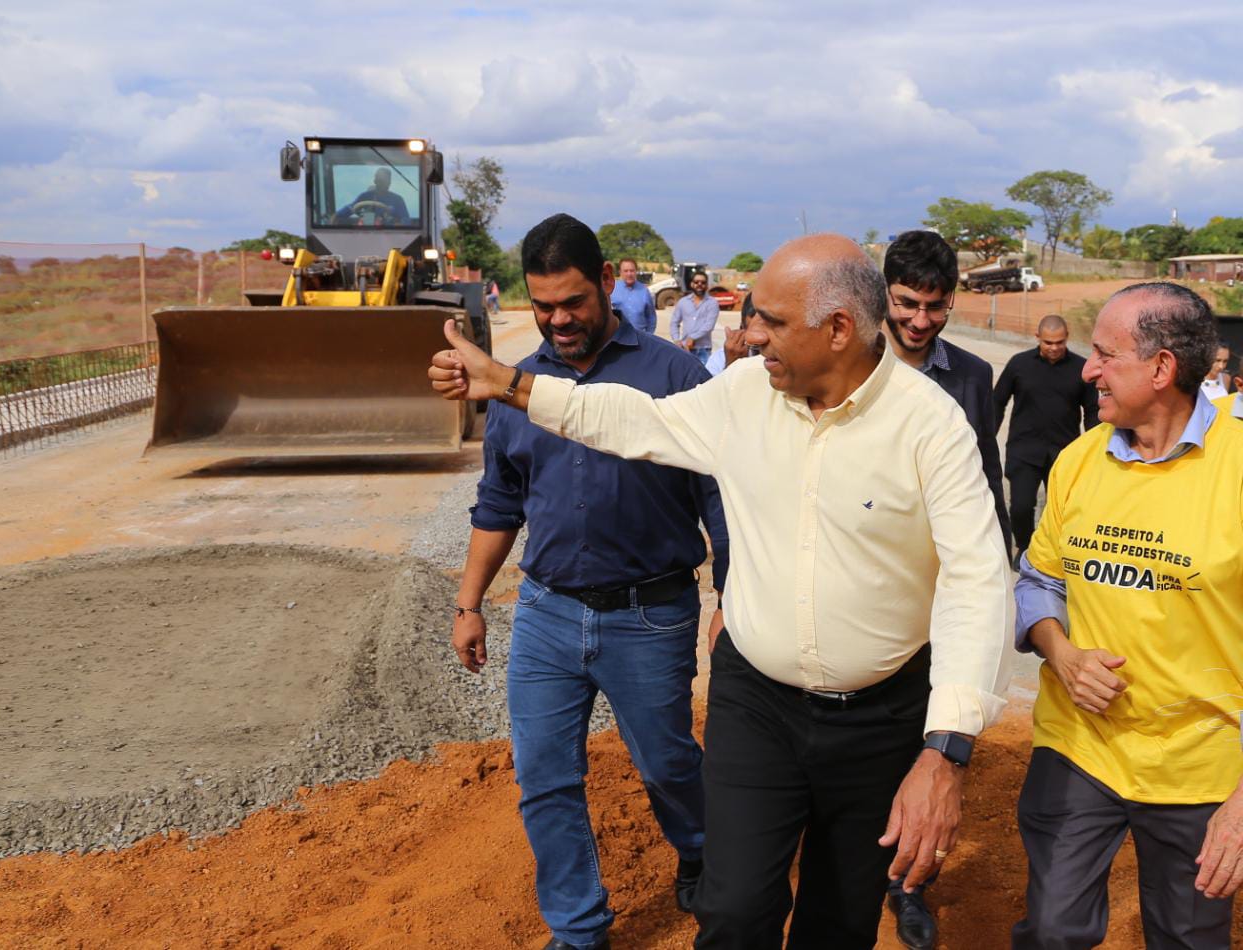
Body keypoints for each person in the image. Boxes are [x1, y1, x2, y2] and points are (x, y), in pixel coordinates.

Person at [430, 233, 1009, 949]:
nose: (750, 335)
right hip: (756, 703)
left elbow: (977, 582)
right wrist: (509, 383)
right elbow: (637, 420)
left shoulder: (931, 425)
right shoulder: (744, 393)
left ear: (837, 329)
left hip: (879, 718)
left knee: (839, 921)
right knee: (733, 910)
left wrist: (945, 752)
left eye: (771, 320)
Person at [449, 213, 728, 950]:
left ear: (607, 282)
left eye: (573, 301)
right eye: (543, 306)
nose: (559, 320)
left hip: (651, 615)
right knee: (543, 777)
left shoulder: (674, 375)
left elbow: (719, 494)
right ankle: (578, 930)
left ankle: (701, 849)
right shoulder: (515, 388)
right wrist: (469, 603)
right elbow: (498, 504)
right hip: (546, 614)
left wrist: (730, 595)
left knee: (667, 763)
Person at [1012, 282, 1243, 949]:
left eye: (1106, 355)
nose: (1088, 370)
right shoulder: (1079, 460)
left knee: (1186, 939)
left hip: (1201, 767)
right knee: (1052, 931)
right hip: (1080, 747)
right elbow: (1041, 580)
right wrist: (1061, 653)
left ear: (1162, 368)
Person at [882, 231, 1014, 569]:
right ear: (884, 292)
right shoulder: (848, 366)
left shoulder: (973, 374)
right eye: (907, 303)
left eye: (936, 307)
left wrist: (1000, 561)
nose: (921, 321)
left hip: (946, 564)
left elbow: (986, 475)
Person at [993, 314, 1100, 563]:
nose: (1054, 348)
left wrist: (1094, 448)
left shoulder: (1081, 369)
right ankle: (1024, 548)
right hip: (1024, 450)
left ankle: (1055, 555)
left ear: (1067, 338)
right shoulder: (1019, 364)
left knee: (1062, 510)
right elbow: (997, 402)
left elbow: (1092, 411)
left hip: (1065, 454)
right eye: (1048, 342)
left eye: (1059, 342)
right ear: (1037, 337)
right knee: (1021, 507)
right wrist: (986, 438)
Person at [670, 271, 720, 365]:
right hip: (684, 349)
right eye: (696, 282)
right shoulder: (683, 302)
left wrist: (692, 338)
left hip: (704, 350)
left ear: (707, 285)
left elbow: (709, 325)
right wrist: (676, 340)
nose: (699, 284)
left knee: (704, 374)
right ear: (691, 284)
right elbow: (674, 322)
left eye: (703, 282)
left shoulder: (712, 303)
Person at [336, 167, 410, 225]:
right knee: (367, 216)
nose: (383, 183)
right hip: (367, 233)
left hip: (390, 235)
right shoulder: (364, 196)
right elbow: (349, 209)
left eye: (386, 180)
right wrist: (335, 217)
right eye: (380, 180)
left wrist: (399, 224)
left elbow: (406, 220)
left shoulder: (397, 200)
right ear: (375, 181)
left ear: (390, 182)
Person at [705, 294, 755, 377]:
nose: (760, 338)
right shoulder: (720, 358)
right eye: (754, 332)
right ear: (741, 328)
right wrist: (732, 364)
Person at [610, 257, 657, 333]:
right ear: (620, 272)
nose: (629, 274)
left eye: (632, 271)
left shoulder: (644, 291)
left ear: (636, 271)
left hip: (639, 337)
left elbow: (651, 317)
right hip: (618, 336)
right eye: (626, 271)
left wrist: (648, 335)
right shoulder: (612, 289)